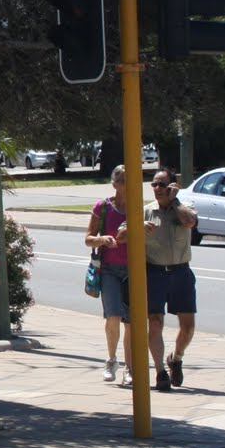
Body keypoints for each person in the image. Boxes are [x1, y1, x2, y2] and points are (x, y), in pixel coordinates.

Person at [144, 167, 198, 391]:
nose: (157, 189)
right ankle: (160, 372)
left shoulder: (184, 208)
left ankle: (175, 358)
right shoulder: (146, 211)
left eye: (162, 184)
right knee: (155, 322)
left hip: (181, 272)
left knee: (188, 327)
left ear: (173, 187)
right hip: (155, 272)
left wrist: (175, 202)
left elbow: (190, 222)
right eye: (154, 184)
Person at [86, 164, 136, 385]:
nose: (127, 185)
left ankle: (131, 368)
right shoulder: (103, 207)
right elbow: (88, 238)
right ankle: (111, 360)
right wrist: (102, 239)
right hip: (109, 269)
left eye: (131, 180)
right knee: (113, 316)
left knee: (132, 322)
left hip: (133, 270)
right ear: (115, 184)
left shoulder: (137, 207)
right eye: (123, 180)